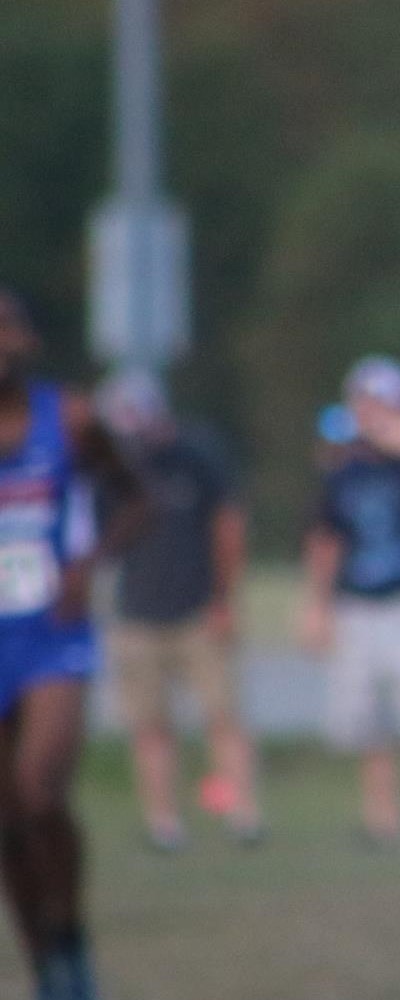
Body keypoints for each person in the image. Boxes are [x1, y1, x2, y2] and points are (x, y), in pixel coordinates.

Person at [0, 286, 149, 1000]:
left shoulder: (73, 418)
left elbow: (138, 500)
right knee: (6, 821)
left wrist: (89, 565)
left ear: (22, 342)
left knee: (39, 795)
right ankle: (47, 964)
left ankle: (70, 928)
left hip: (50, 635)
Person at [298, 355, 400, 847]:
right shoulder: (343, 470)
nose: (365, 411)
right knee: (368, 723)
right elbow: (326, 540)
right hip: (357, 605)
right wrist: (316, 605)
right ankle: (382, 821)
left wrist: (376, 428)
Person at [96, 371, 262, 851]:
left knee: (223, 716)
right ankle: (164, 824)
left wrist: (224, 599)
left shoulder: (195, 458)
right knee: (149, 726)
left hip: (198, 610)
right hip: (136, 616)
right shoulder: (112, 475)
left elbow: (228, 525)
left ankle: (242, 815)